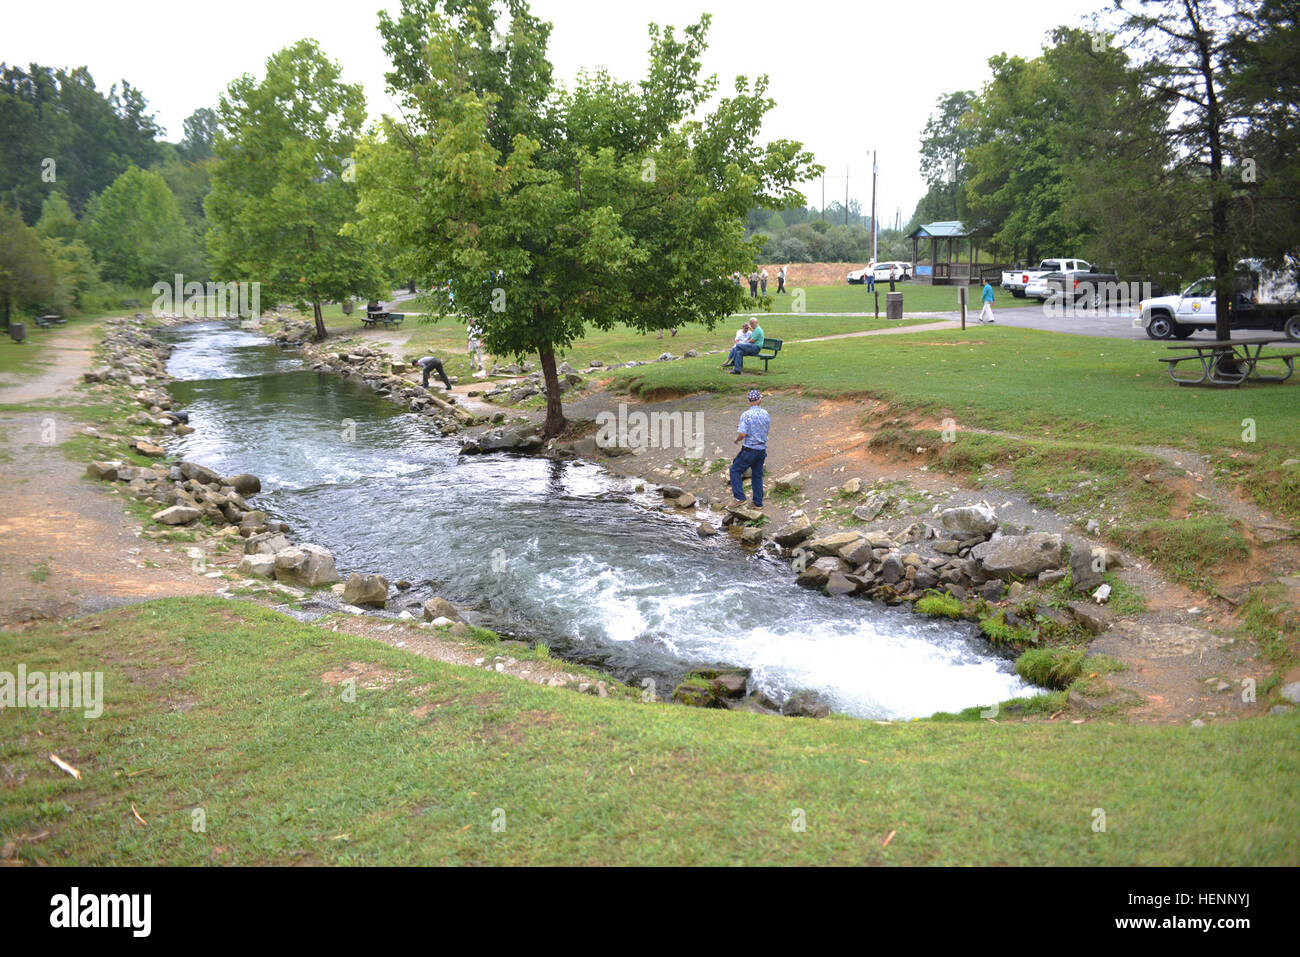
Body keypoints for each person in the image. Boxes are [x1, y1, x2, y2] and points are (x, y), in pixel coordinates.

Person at [729, 389, 770, 508]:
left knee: (735, 470)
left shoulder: (746, 415)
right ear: (760, 400)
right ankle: (758, 503)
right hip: (761, 450)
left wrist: (737, 440)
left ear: (749, 402)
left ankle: (739, 497)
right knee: (757, 475)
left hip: (749, 449)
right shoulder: (766, 413)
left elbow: (742, 434)